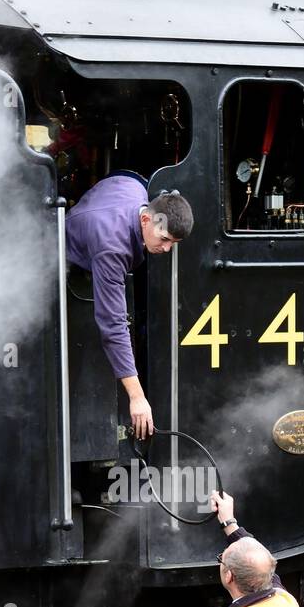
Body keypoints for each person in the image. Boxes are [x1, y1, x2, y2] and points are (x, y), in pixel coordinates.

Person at [65, 173, 194, 439]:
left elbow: (114, 179)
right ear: (146, 218)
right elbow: (112, 326)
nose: (167, 249)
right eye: (164, 239)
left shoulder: (134, 188)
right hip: (66, 262)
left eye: (174, 243)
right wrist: (136, 398)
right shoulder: (113, 249)